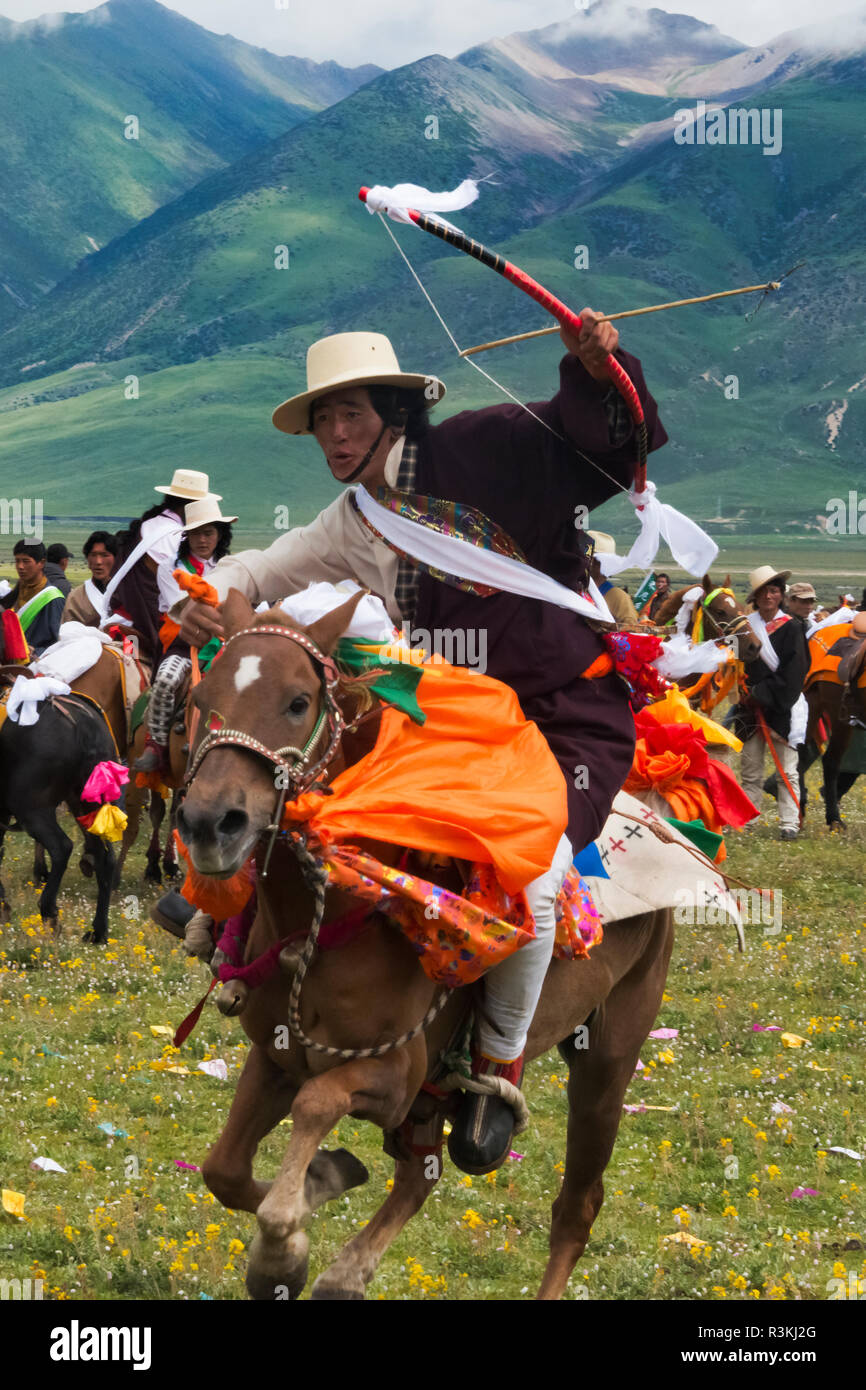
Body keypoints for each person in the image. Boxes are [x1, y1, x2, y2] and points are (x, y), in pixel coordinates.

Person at [170, 319, 668, 1171]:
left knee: (533, 868)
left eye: (350, 413)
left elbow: (596, 450)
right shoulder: (350, 516)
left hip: (559, 718)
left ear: (397, 409)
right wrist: (208, 594)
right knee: (317, 809)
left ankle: (493, 1068)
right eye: (322, 420)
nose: (335, 434)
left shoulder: (490, 446)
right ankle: (242, 943)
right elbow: (265, 569)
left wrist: (599, 371)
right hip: (453, 725)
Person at [135, 496, 236, 774]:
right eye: (195, 533)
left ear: (220, 534)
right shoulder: (172, 568)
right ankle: (155, 744)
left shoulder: (232, 567)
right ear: (186, 536)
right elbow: (182, 607)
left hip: (225, 643)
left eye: (209, 533)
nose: (202, 540)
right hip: (184, 641)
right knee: (166, 680)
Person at [108, 469, 217, 665]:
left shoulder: (150, 525)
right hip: (149, 624)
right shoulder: (175, 536)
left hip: (121, 615)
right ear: (192, 507)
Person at [732, 566, 809, 841]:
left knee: (787, 771)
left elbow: (794, 672)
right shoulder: (743, 626)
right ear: (755, 595)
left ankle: (789, 823)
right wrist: (739, 690)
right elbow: (732, 664)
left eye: (774, 590)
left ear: (781, 596)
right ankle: (747, 821)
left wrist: (760, 692)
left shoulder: (792, 628)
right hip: (749, 708)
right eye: (763, 591)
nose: (768, 595)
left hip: (781, 707)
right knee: (750, 771)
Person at [0, 540, 66, 655]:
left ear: (41, 563)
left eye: (26, 561)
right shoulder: (18, 591)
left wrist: (35, 652)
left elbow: (57, 644)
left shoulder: (53, 598)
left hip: (35, 666)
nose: (20, 567)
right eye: (17, 561)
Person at [62, 531, 118, 626]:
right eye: (93, 555)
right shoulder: (76, 598)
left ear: (117, 559)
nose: (98, 561)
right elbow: (68, 635)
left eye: (105, 555)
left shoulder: (129, 594)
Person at [586, 530, 639, 625]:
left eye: (587, 558)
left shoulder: (619, 597)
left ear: (597, 563)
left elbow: (632, 631)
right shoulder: (580, 590)